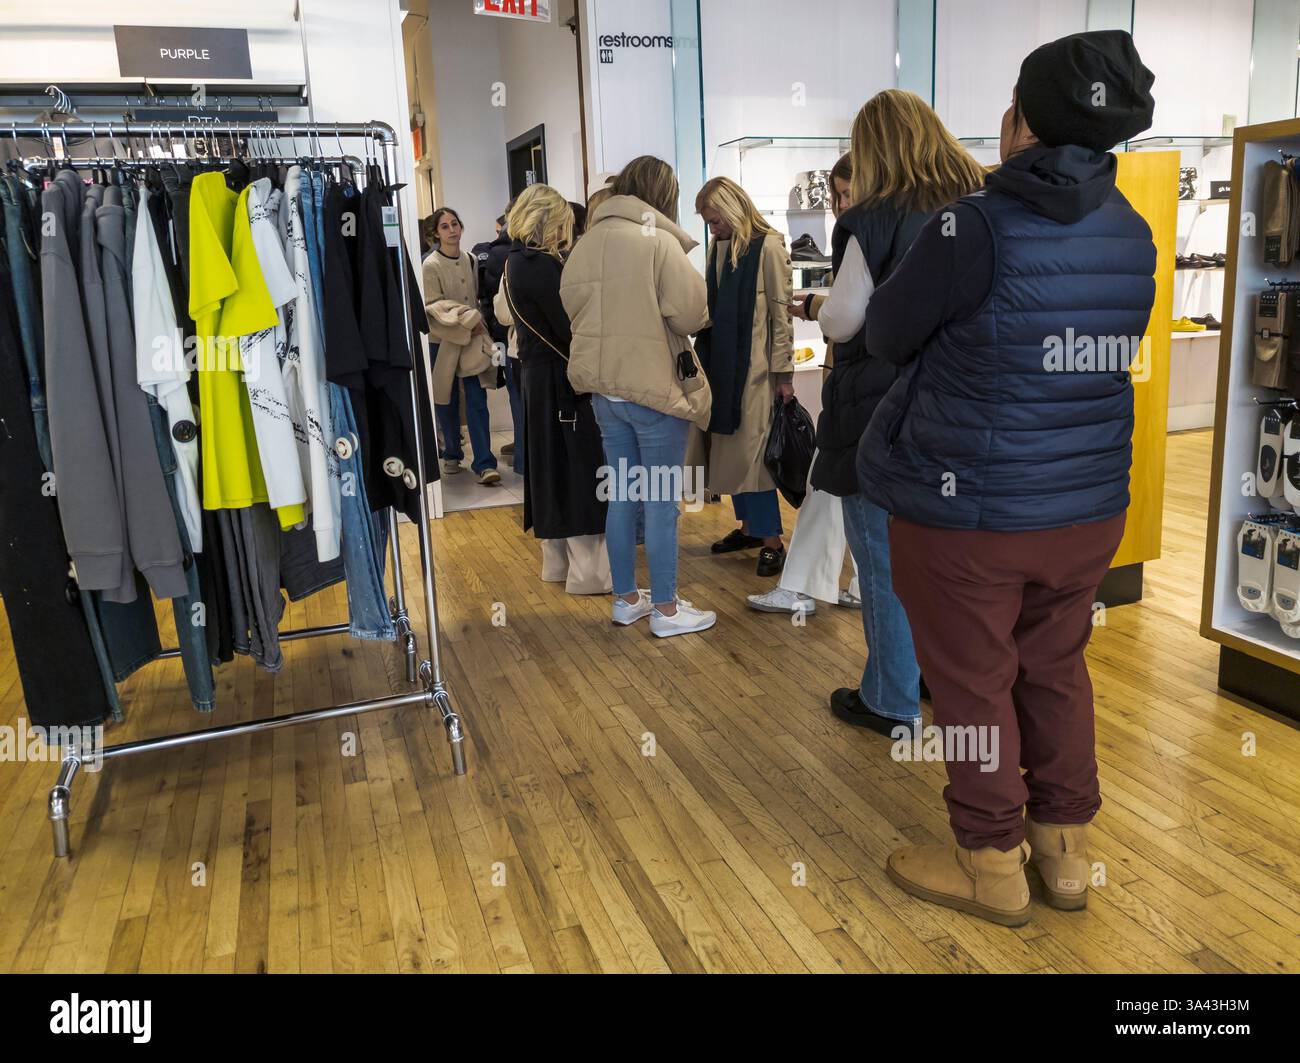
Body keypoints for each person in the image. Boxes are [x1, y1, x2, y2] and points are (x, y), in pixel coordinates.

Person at [857, 31, 1157, 926]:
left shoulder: (972, 226)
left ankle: (991, 861)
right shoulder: (1133, 230)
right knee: (1056, 666)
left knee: (973, 679)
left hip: (972, 508)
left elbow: (883, 334)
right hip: (1087, 503)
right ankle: (1066, 856)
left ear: (1023, 121)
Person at [799, 90, 985, 737]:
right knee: (942, 559)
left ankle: (888, 697)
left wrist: (820, 310)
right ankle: (934, 679)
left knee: (880, 555)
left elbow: (844, 316)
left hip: (880, 408)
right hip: (956, 407)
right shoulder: (976, 204)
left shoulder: (874, 217)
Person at [561, 155, 716, 638]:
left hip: (605, 391)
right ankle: (667, 610)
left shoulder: (587, 242)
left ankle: (627, 598)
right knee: (663, 501)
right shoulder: (658, 241)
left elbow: (571, 304)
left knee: (623, 495)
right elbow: (691, 314)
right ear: (663, 195)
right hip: (653, 388)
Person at [748, 153, 862, 615]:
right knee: (846, 492)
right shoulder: (887, 231)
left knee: (828, 487)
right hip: (861, 382)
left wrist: (816, 307)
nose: (837, 204)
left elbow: (845, 317)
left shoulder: (863, 236)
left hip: (856, 384)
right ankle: (850, 583)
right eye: (835, 194)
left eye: (845, 193)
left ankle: (804, 587)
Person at [494, 184, 610, 594]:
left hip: (540, 378)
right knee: (578, 469)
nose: (567, 229)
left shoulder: (513, 262)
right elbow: (568, 328)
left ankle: (558, 564)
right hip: (563, 380)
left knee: (552, 468)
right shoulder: (541, 265)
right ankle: (589, 575)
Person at [694, 176, 795, 578]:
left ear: (733, 211)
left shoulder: (769, 246)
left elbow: (780, 313)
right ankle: (749, 528)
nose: (712, 230)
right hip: (724, 368)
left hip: (757, 372)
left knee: (755, 460)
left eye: (716, 221)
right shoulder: (720, 249)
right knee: (730, 451)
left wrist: (783, 373)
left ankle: (772, 540)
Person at [423, 206, 501, 485]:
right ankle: (452, 454)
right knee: (447, 399)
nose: (452, 230)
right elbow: (433, 306)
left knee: (477, 399)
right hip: (442, 340)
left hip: (471, 339)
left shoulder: (469, 259)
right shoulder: (430, 265)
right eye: (444, 226)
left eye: (454, 224)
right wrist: (467, 318)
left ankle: (484, 463)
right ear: (435, 233)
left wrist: (476, 323)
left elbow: (476, 299)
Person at [473, 202, 524, 474]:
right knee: (523, 397)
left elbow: (491, 304)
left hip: (503, 335)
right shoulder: (522, 254)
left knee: (516, 397)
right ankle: (525, 454)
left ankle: (521, 451)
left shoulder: (492, 254)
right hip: (520, 338)